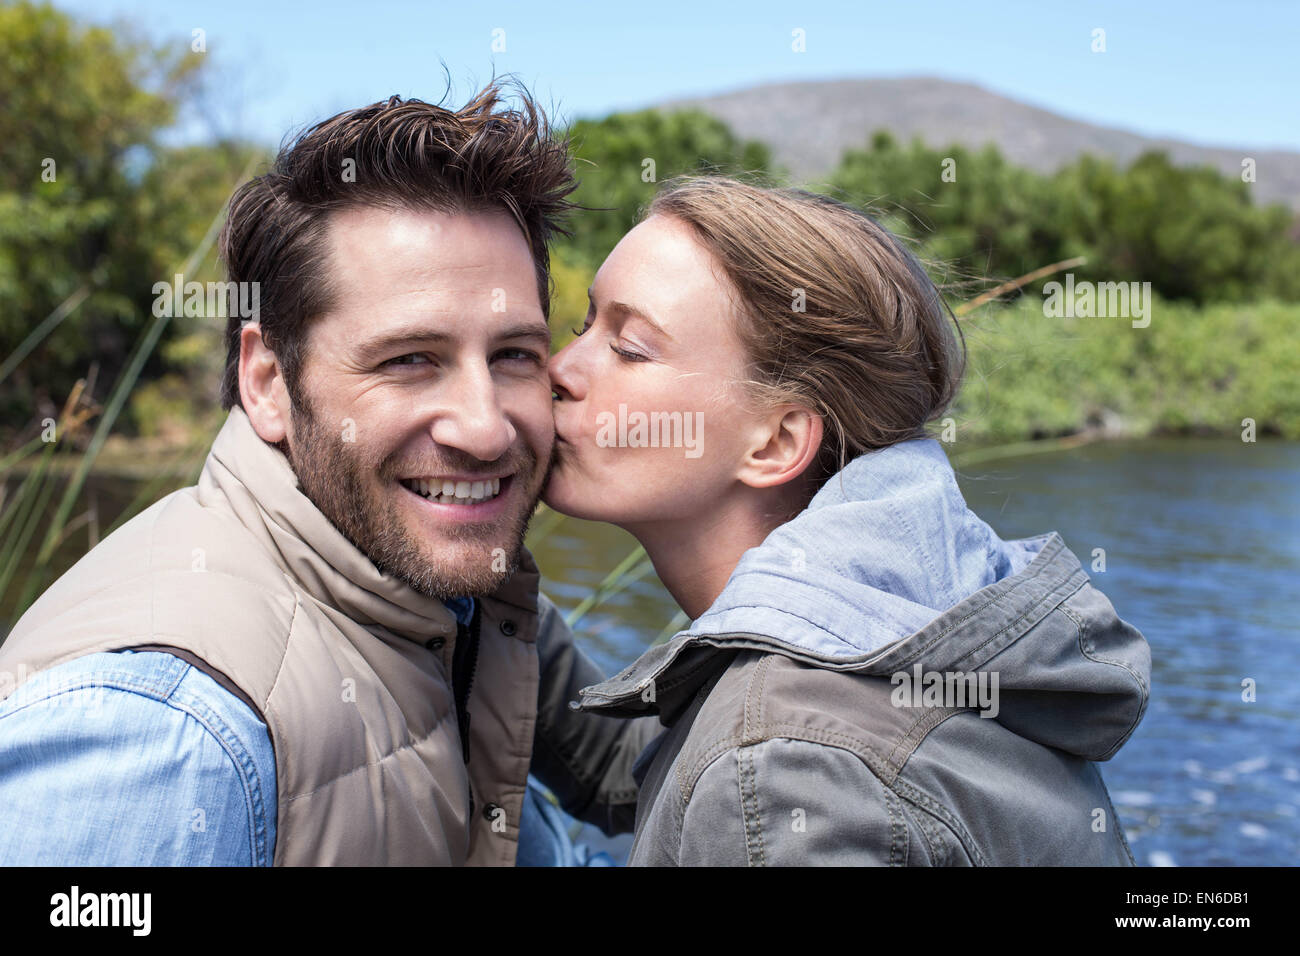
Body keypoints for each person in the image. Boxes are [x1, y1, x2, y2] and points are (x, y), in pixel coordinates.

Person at [0, 83, 657, 866]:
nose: (484, 429)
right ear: (269, 384)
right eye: (410, 359)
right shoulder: (165, 741)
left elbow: (638, 773)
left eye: (513, 354)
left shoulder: (450, 592)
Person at [545, 175, 1151, 866]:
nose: (559, 368)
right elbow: (657, 767)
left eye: (630, 349)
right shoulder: (906, 627)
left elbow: (745, 774)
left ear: (774, 443)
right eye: (582, 325)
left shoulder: (782, 770)